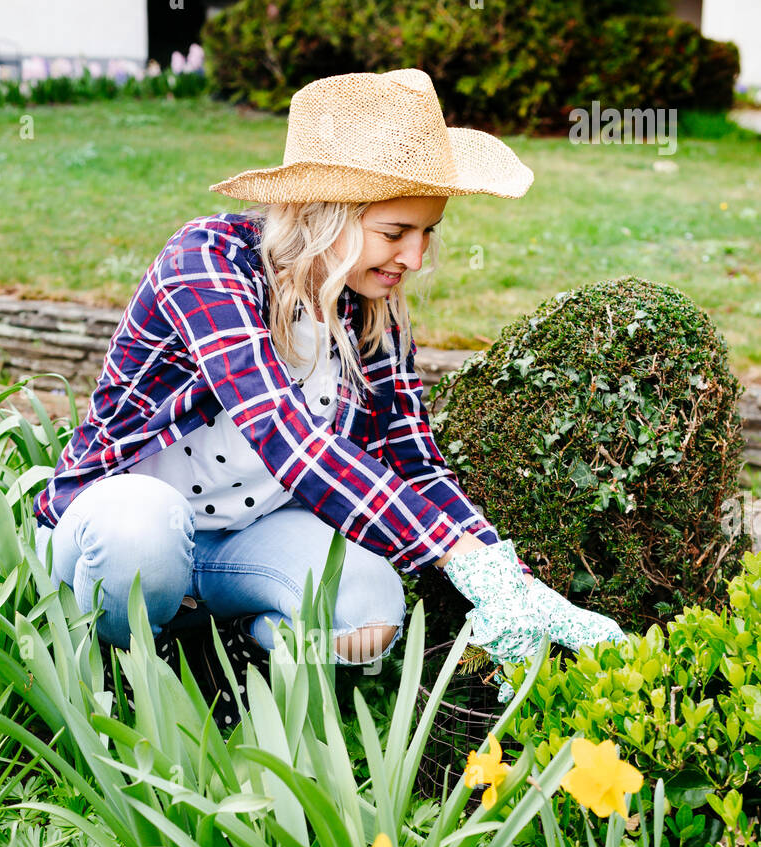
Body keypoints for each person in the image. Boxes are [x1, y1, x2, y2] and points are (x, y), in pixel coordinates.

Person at [33, 68, 625, 721]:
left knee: (369, 606)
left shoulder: (372, 313)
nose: (417, 258)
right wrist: (459, 560)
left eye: (430, 232)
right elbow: (289, 441)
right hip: (124, 526)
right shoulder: (206, 261)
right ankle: (119, 680)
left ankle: (227, 655)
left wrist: (503, 574)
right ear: (324, 212)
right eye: (396, 232)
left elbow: (414, 463)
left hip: (243, 542)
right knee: (139, 537)